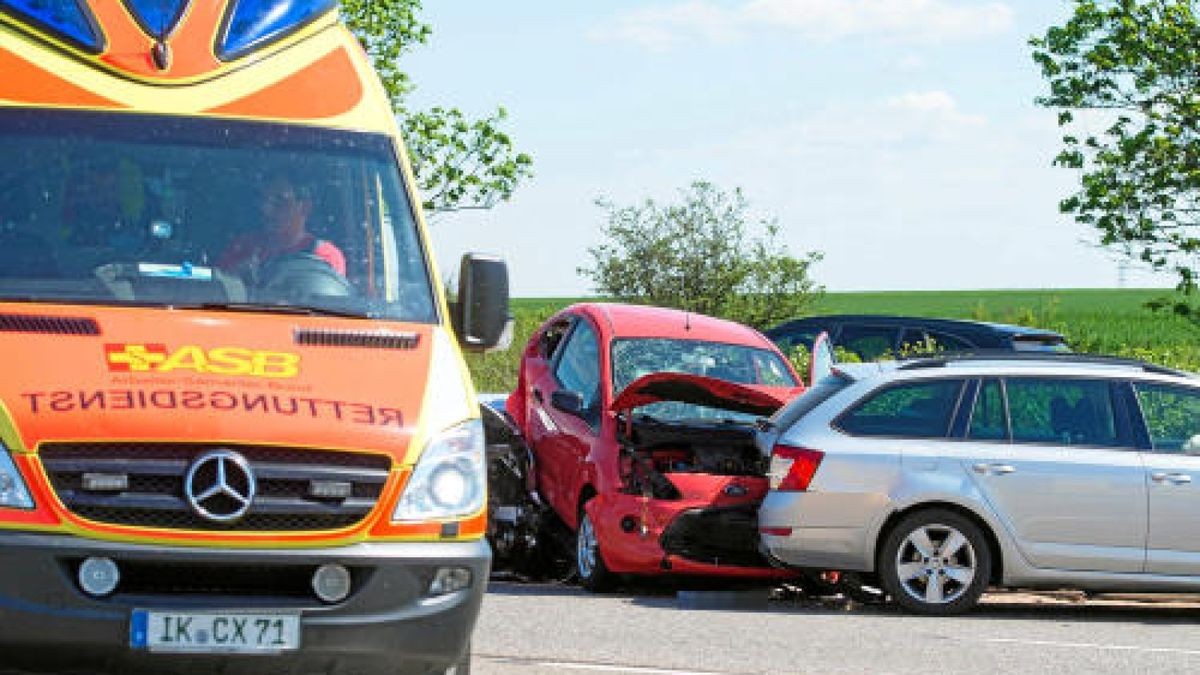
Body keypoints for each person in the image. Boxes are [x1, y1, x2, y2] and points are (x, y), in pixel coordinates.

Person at [218, 173, 346, 279]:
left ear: (305, 207)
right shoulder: (243, 247)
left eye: (280, 201)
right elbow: (218, 292)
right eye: (264, 200)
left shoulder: (324, 255)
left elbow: (328, 304)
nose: (266, 209)